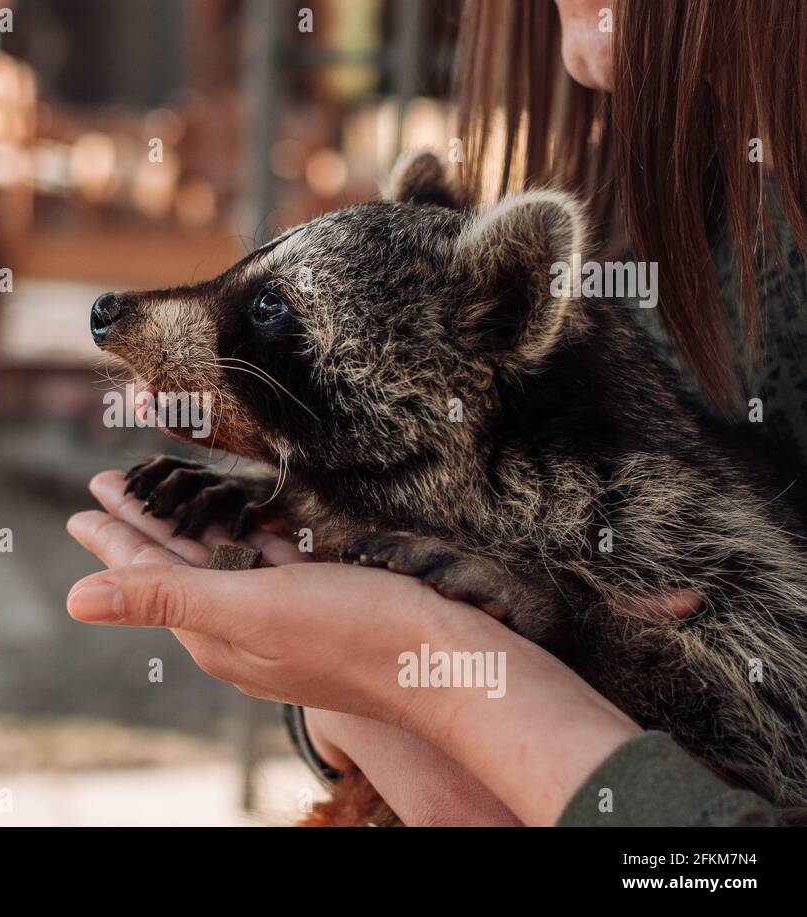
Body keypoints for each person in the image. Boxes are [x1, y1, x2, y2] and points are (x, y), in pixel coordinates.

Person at [65, 0, 806, 826]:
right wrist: (343, 688)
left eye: (272, 313)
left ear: (497, 320)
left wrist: (464, 691)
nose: (588, 49)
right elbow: (384, 612)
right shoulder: (640, 198)